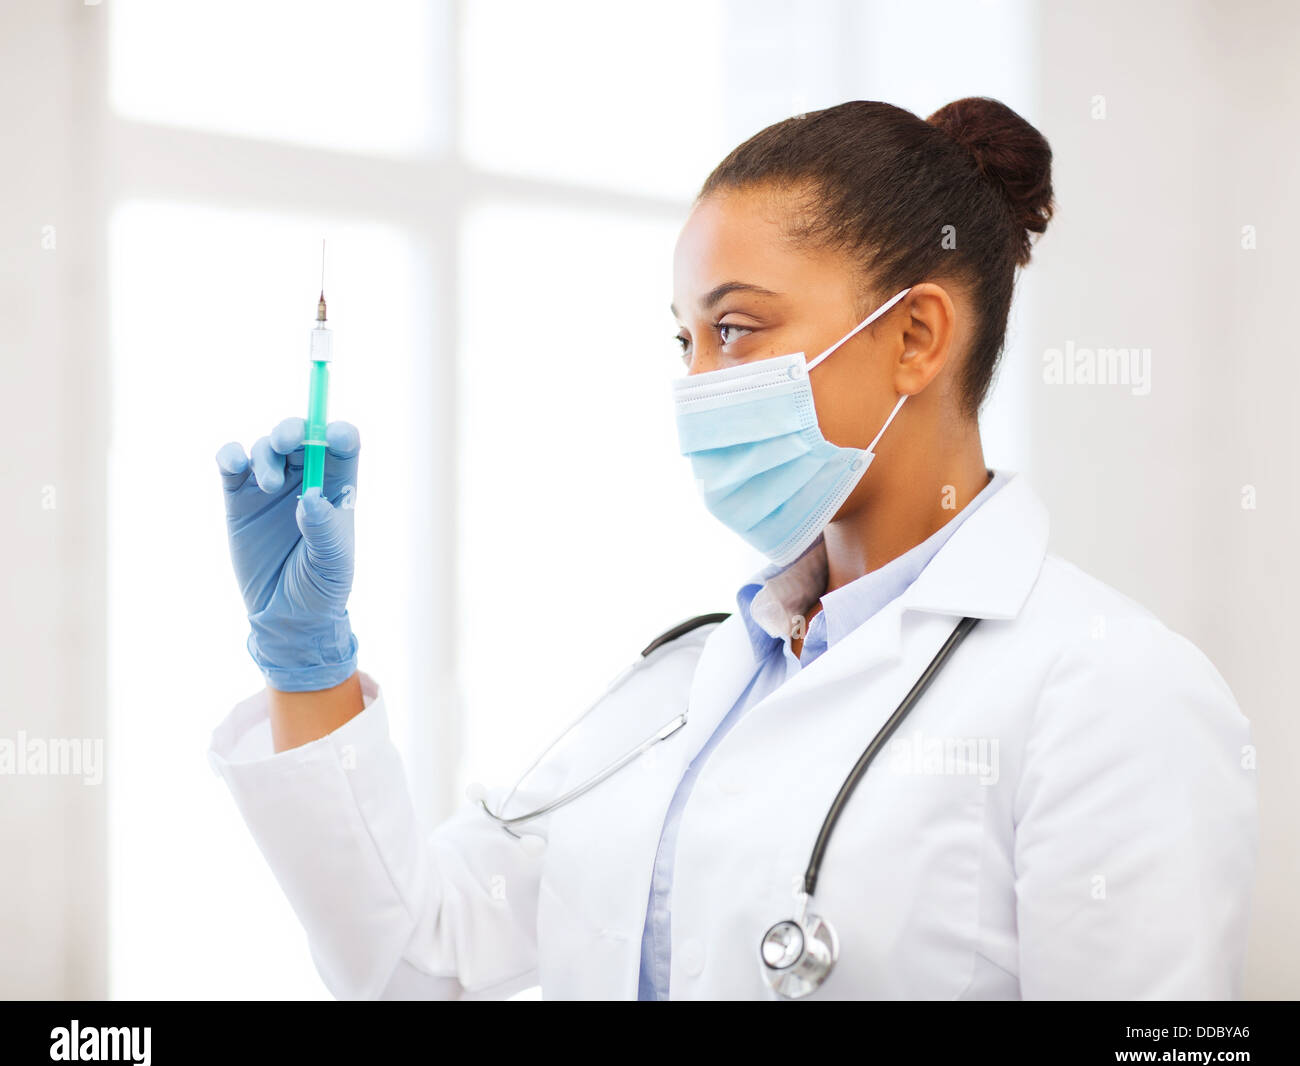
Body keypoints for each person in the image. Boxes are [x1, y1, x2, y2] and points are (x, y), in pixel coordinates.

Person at [210, 97, 1257, 1000]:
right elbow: (410, 955)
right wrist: (308, 665)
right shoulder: (686, 683)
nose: (701, 381)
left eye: (738, 329)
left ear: (916, 338)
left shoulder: (1110, 690)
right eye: (686, 339)